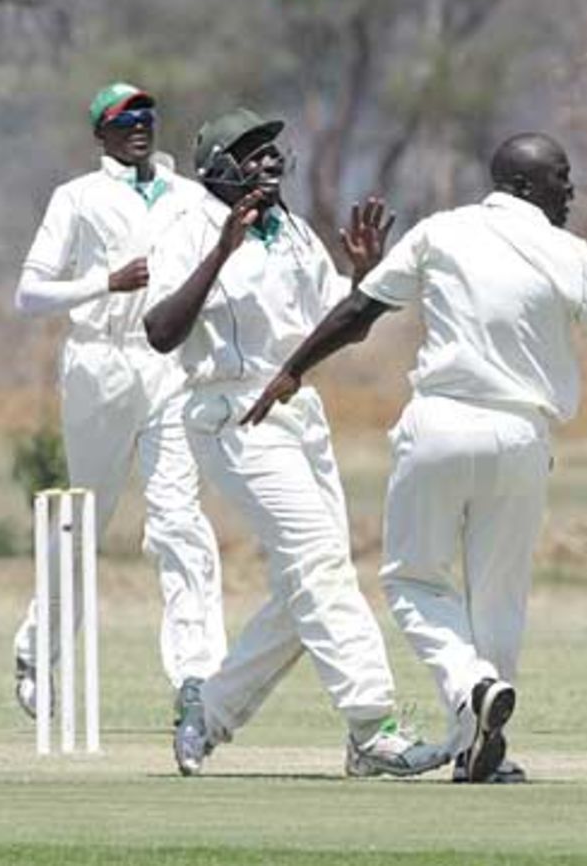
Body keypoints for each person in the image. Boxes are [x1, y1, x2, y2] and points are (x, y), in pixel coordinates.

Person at [241, 132, 587, 783]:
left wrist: (294, 368)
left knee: (412, 582)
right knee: (499, 598)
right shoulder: (569, 253)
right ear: (522, 185)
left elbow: (359, 310)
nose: (570, 190)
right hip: (521, 438)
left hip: (441, 424)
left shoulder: (442, 231)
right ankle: (480, 745)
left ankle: (471, 692)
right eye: (560, 177)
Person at [144, 108, 447, 779]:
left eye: (273, 149)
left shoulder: (294, 233)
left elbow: (341, 326)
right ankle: (373, 728)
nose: (270, 160)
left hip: (298, 409)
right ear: (217, 166)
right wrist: (221, 251)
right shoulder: (185, 226)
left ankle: (209, 714)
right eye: (252, 150)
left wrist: (364, 278)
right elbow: (161, 332)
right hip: (232, 412)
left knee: (303, 587)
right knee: (320, 564)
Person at [12, 82, 226, 721]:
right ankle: (36, 652)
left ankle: (197, 677)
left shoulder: (190, 196)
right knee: (86, 518)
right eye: (123, 118)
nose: (138, 126)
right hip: (99, 362)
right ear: (100, 132)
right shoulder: (77, 197)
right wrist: (104, 282)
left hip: (169, 363)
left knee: (179, 519)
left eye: (146, 115)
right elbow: (29, 294)